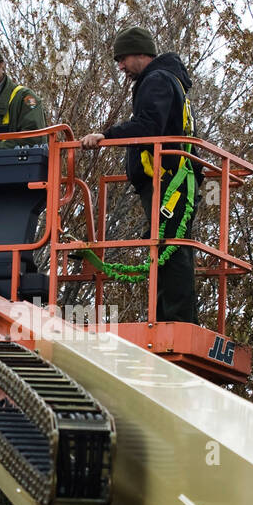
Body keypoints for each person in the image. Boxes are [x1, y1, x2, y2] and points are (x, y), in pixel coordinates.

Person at [80, 27, 199, 324]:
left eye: (123, 59)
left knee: (170, 246)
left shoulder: (156, 80)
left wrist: (106, 135)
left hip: (167, 177)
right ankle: (168, 318)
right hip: (174, 176)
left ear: (140, 54)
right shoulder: (170, 80)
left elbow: (148, 127)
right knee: (167, 245)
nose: (120, 66)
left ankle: (176, 322)